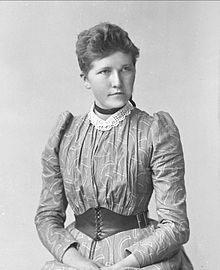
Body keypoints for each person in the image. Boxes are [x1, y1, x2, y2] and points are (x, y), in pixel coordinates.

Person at [35, 22, 193, 270]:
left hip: (138, 259)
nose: (117, 81)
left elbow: (175, 224)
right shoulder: (65, 134)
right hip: (78, 259)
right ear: (85, 79)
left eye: (126, 69)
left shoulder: (155, 131)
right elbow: (47, 218)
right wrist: (79, 263)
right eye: (105, 71)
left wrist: (123, 266)